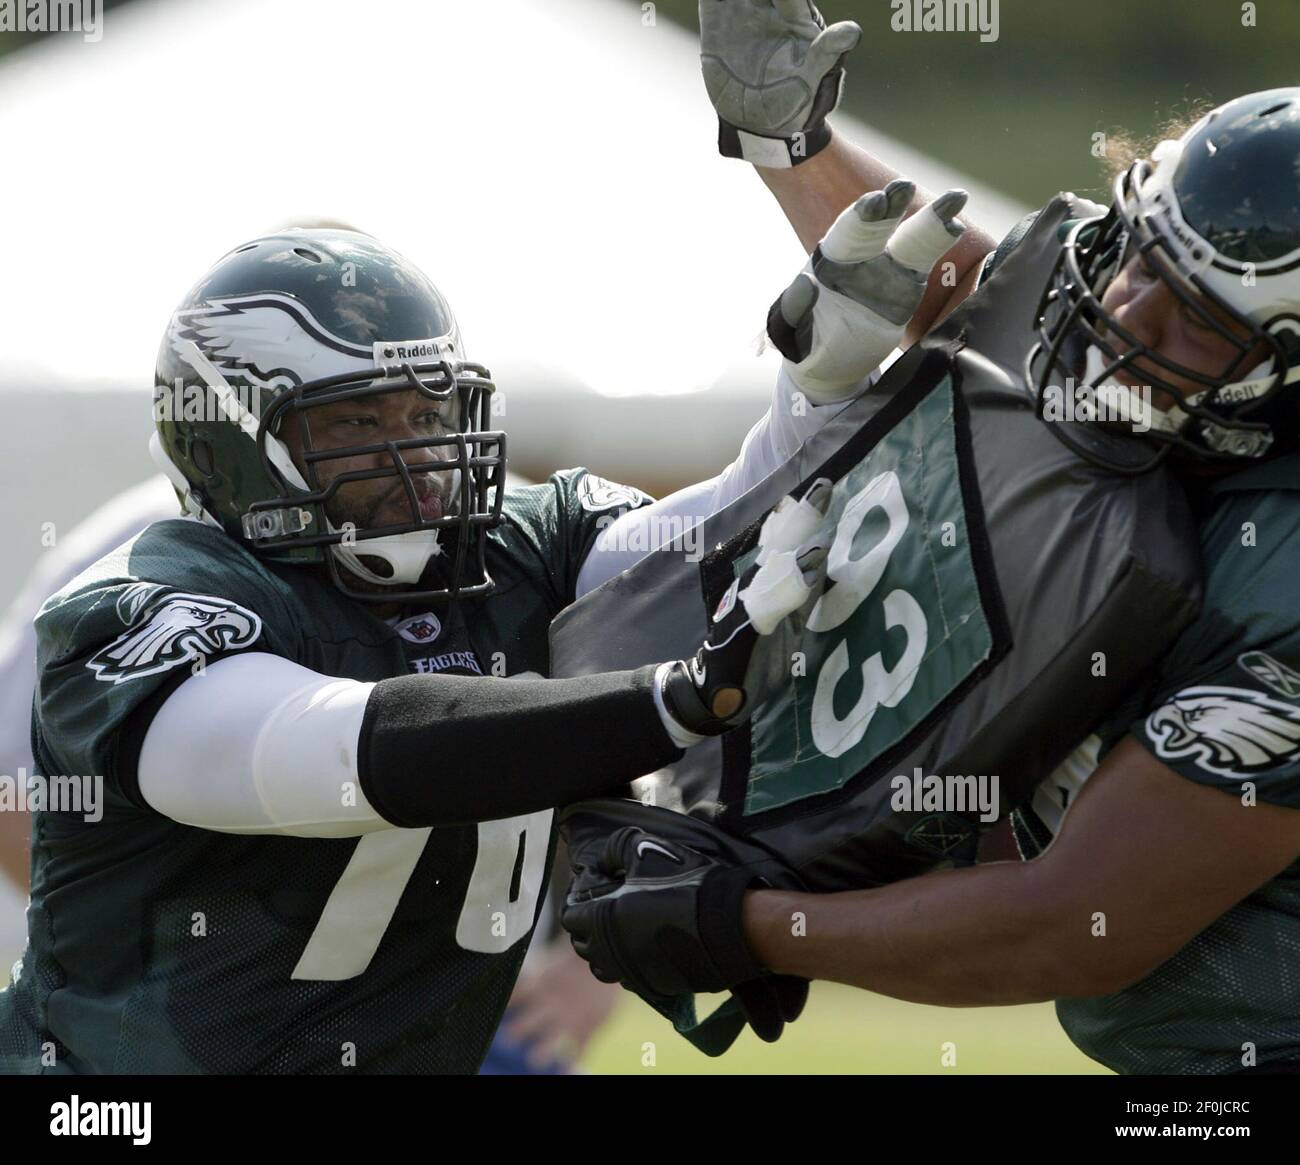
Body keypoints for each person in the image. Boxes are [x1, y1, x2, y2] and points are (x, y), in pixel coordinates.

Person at [0, 176, 966, 1072]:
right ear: (231, 437)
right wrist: (667, 702)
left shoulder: (514, 544)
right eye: (353, 425)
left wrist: (818, 395)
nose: (414, 456)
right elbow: (335, 752)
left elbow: (711, 540)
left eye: (427, 412)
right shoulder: (138, 610)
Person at [557, 4, 1300, 1075]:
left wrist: (745, 920)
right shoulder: (1145, 341)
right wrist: (792, 146)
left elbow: (1078, 918)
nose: (1124, 318)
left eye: (1192, 316)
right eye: (1137, 256)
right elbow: (980, 304)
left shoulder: (1281, 588)